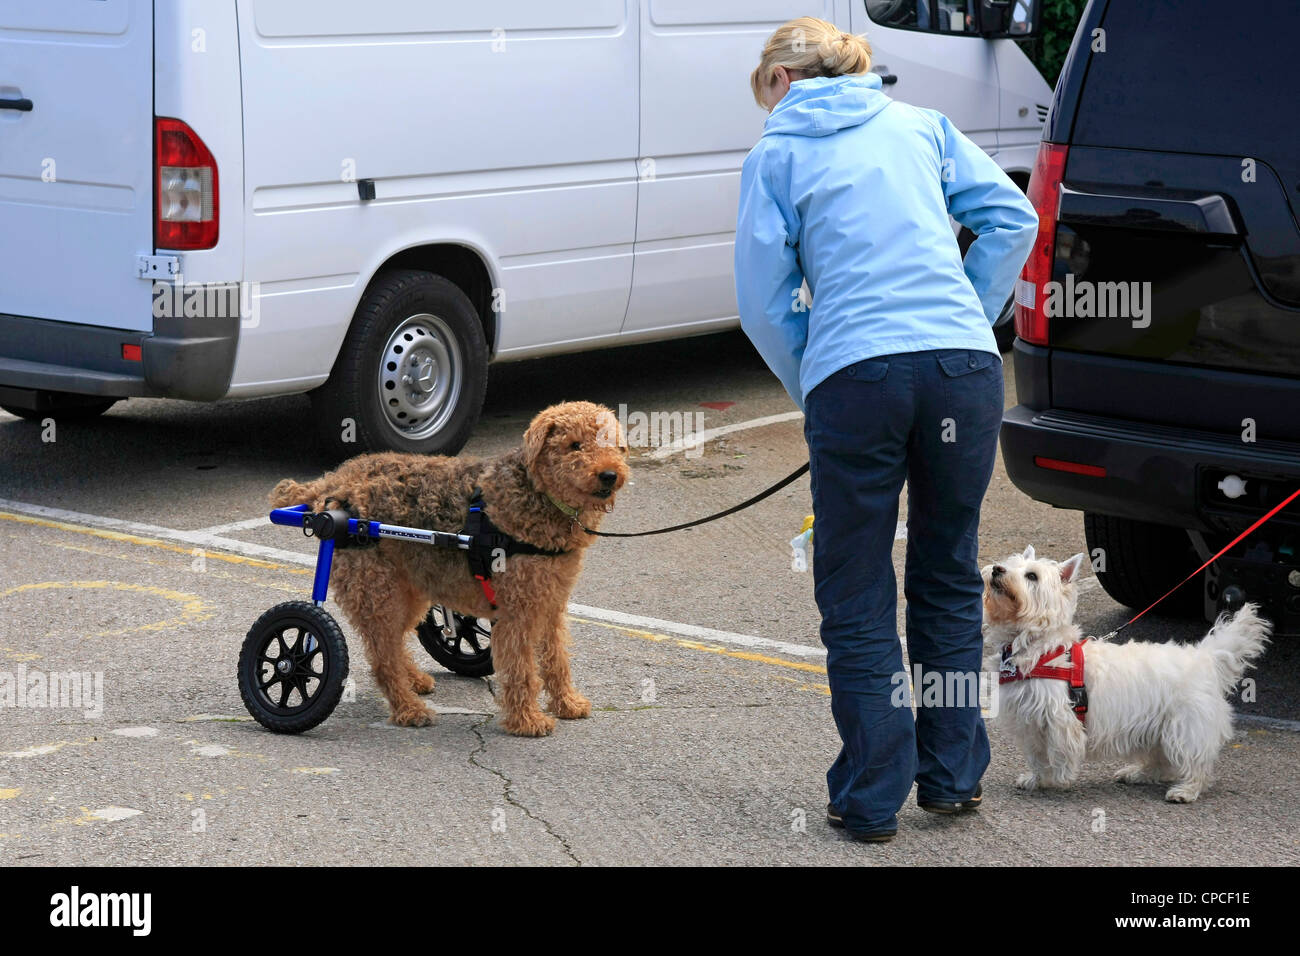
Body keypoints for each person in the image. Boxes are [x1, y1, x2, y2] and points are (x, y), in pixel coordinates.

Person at [734, 16, 1037, 842]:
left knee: (857, 586)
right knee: (943, 574)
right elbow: (1014, 221)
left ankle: (871, 799)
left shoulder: (778, 154)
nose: (764, 110)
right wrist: (967, 323)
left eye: (763, 93)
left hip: (856, 378)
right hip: (963, 375)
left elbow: (763, 301)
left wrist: (815, 382)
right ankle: (951, 778)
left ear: (785, 81)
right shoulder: (923, 126)